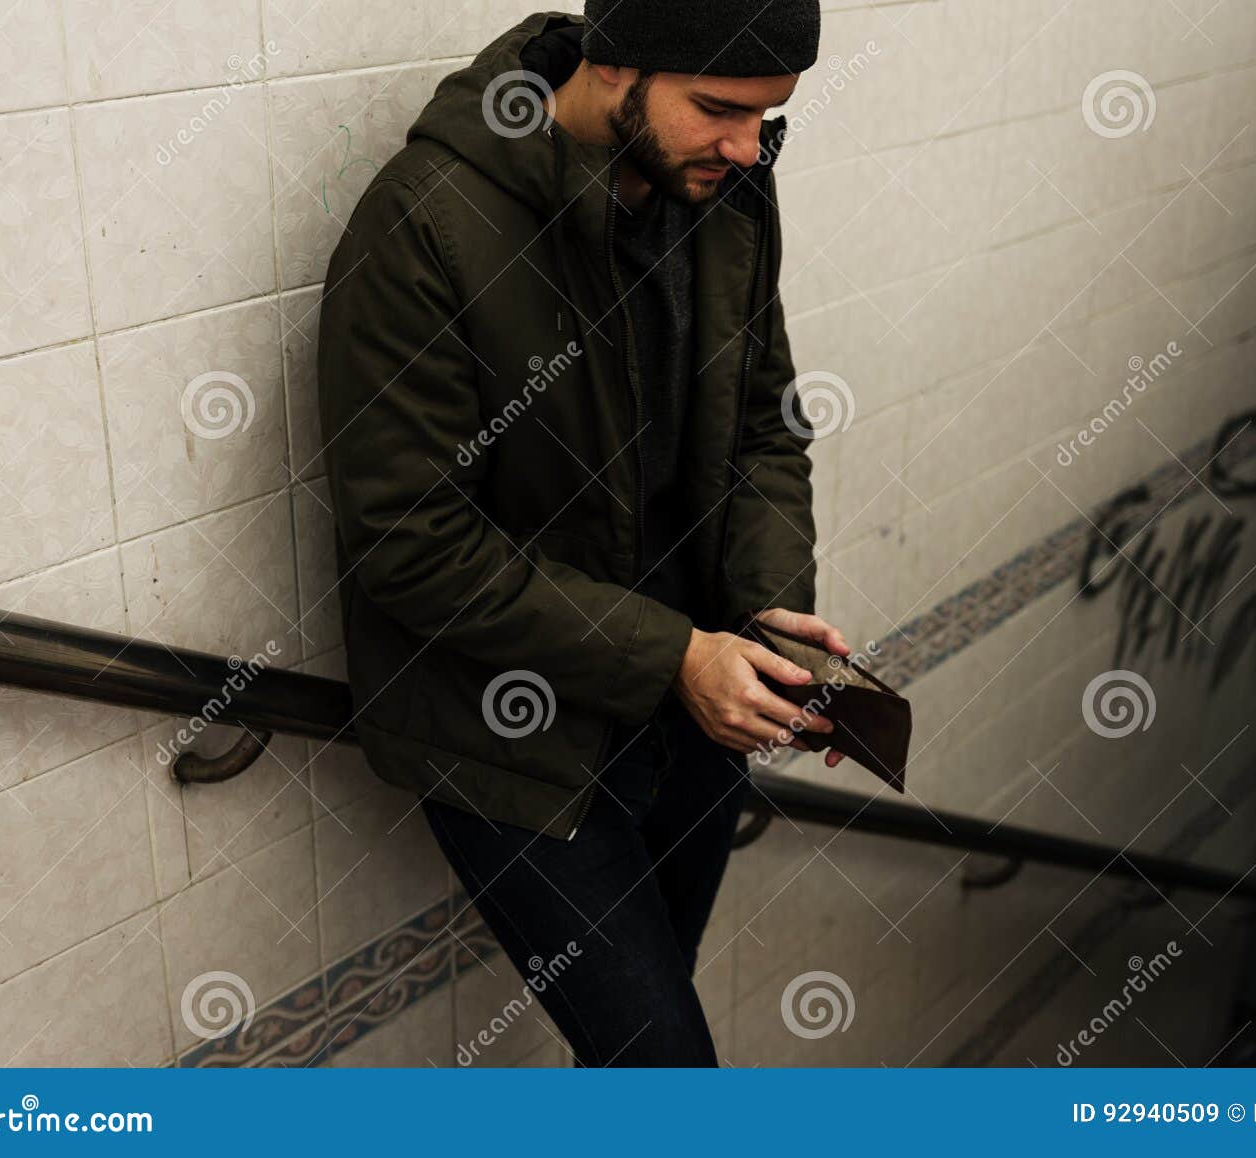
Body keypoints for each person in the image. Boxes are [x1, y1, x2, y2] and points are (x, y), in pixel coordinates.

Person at [317, 0, 856, 1067]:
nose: (747, 149)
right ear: (612, 66)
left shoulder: (725, 185)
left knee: (640, 1060)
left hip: (694, 709)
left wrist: (765, 604)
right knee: (665, 1070)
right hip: (514, 736)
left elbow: (761, 418)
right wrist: (673, 659)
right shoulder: (425, 224)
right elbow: (408, 540)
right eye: (719, 110)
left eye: (770, 119)